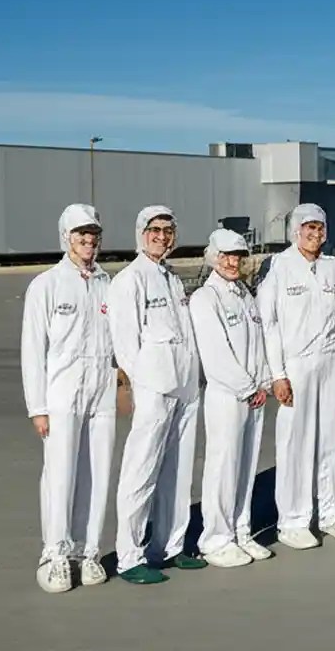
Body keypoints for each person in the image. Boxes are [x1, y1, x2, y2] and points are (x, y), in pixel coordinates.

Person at [109, 205, 206, 584]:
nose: (162, 236)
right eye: (155, 230)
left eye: (168, 230)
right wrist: (145, 386)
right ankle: (129, 556)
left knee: (178, 473)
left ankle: (169, 545)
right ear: (141, 233)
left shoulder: (171, 278)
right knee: (141, 471)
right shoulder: (130, 280)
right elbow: (126, 344)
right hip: (155, 389)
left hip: (184, 386)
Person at [21, 204, 115, 593]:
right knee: (60, 474)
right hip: (62, 392)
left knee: (97, 472)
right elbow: (32, 349)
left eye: (93, 234)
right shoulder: (47, 285)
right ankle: (54, 553)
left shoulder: (107, 284)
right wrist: (37, 407)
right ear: (66, 237)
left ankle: (86, 551)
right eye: (81, 234)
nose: (88, 240)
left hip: (101, 391)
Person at [257, 204, 335, 549]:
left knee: (330, 440)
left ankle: (330, 512)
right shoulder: (278, 267)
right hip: (295, 365)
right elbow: (269, 324)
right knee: (295, 442)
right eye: (309, 227)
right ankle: (293, 520)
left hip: (331, 361)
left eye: (320, 227)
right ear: (295, 231)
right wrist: (277, 374)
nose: (315, 234)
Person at [188, 229, 273, 568]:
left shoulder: (244, 295)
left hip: (253, 394)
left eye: (237, 256)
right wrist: (246, 387)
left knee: (246, 465)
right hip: (228, 395)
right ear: (213, 257)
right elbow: (216, 354)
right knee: (223, 466)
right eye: (225, 256)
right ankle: (215, 538)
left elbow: (259, 341)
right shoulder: (205, 298)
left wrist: (263, 381)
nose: (232, 262)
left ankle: (240, 530)